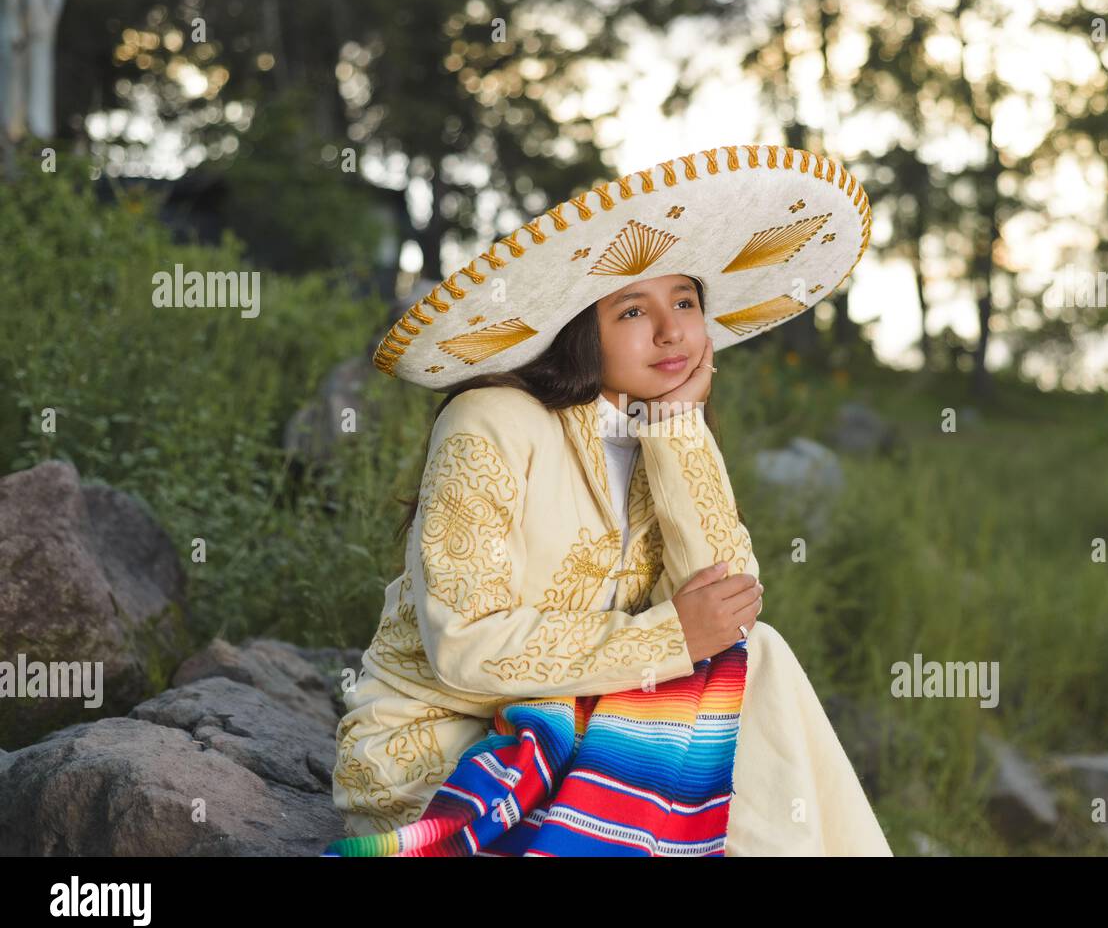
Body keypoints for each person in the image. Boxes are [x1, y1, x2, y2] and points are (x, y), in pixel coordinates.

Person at [331, 143, 892, 855]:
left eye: (685, 301)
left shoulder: (654, 431)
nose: (672, 330)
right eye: (633, 309)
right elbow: (465, 647)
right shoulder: (489, 422)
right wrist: (669, 637)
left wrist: (679, 429)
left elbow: (729, 604)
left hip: (583, 722)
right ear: (579, 328)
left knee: (760, 656)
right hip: (443, 749)